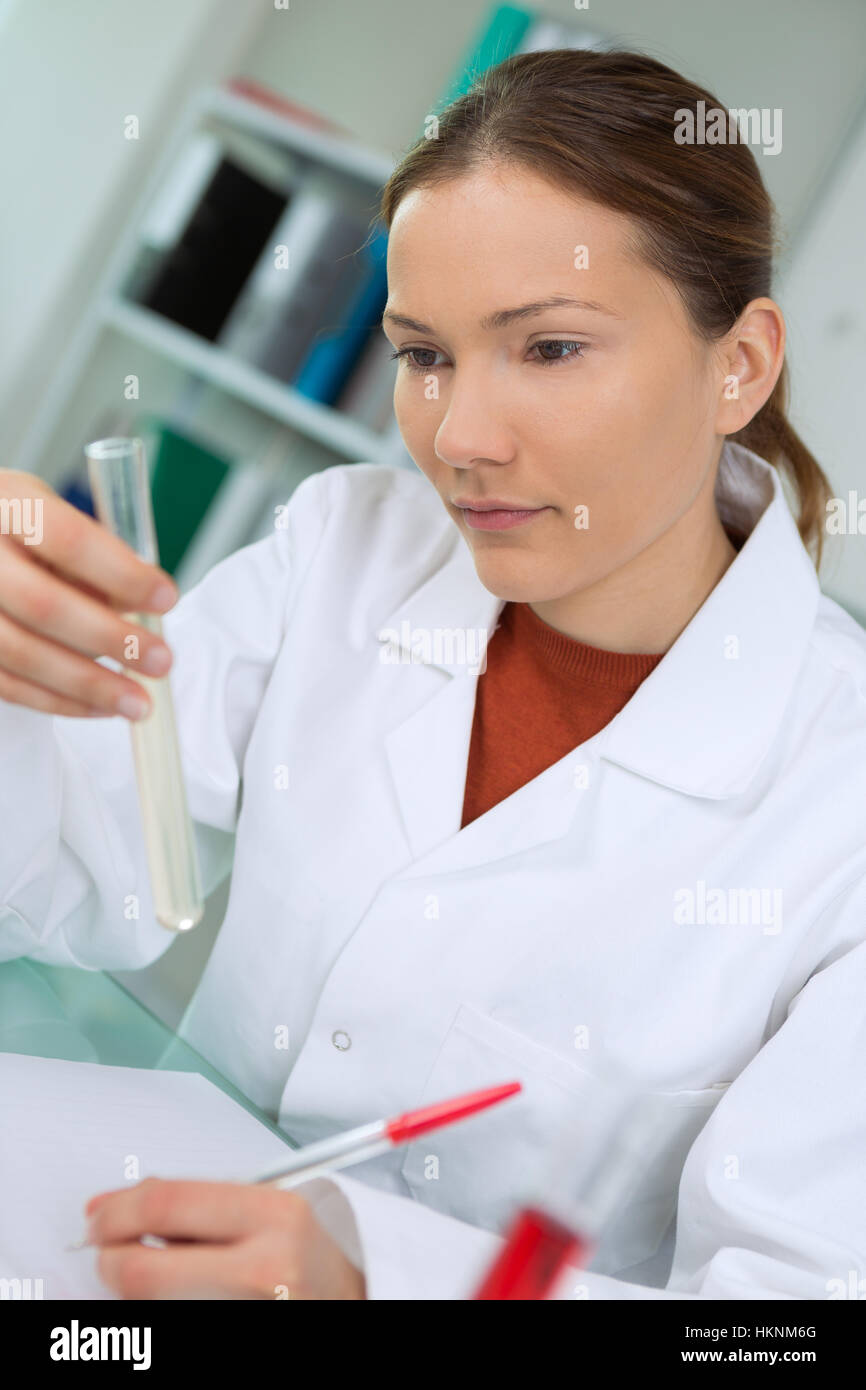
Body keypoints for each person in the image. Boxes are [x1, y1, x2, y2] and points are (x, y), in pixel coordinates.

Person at [1, 48, 865, 1301]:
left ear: (738, 364)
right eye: (423, 354)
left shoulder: (840, 795)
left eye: (550, 348)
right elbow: (70, 877)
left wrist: (379, 1280)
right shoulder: (346, 546)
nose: (457, 437)